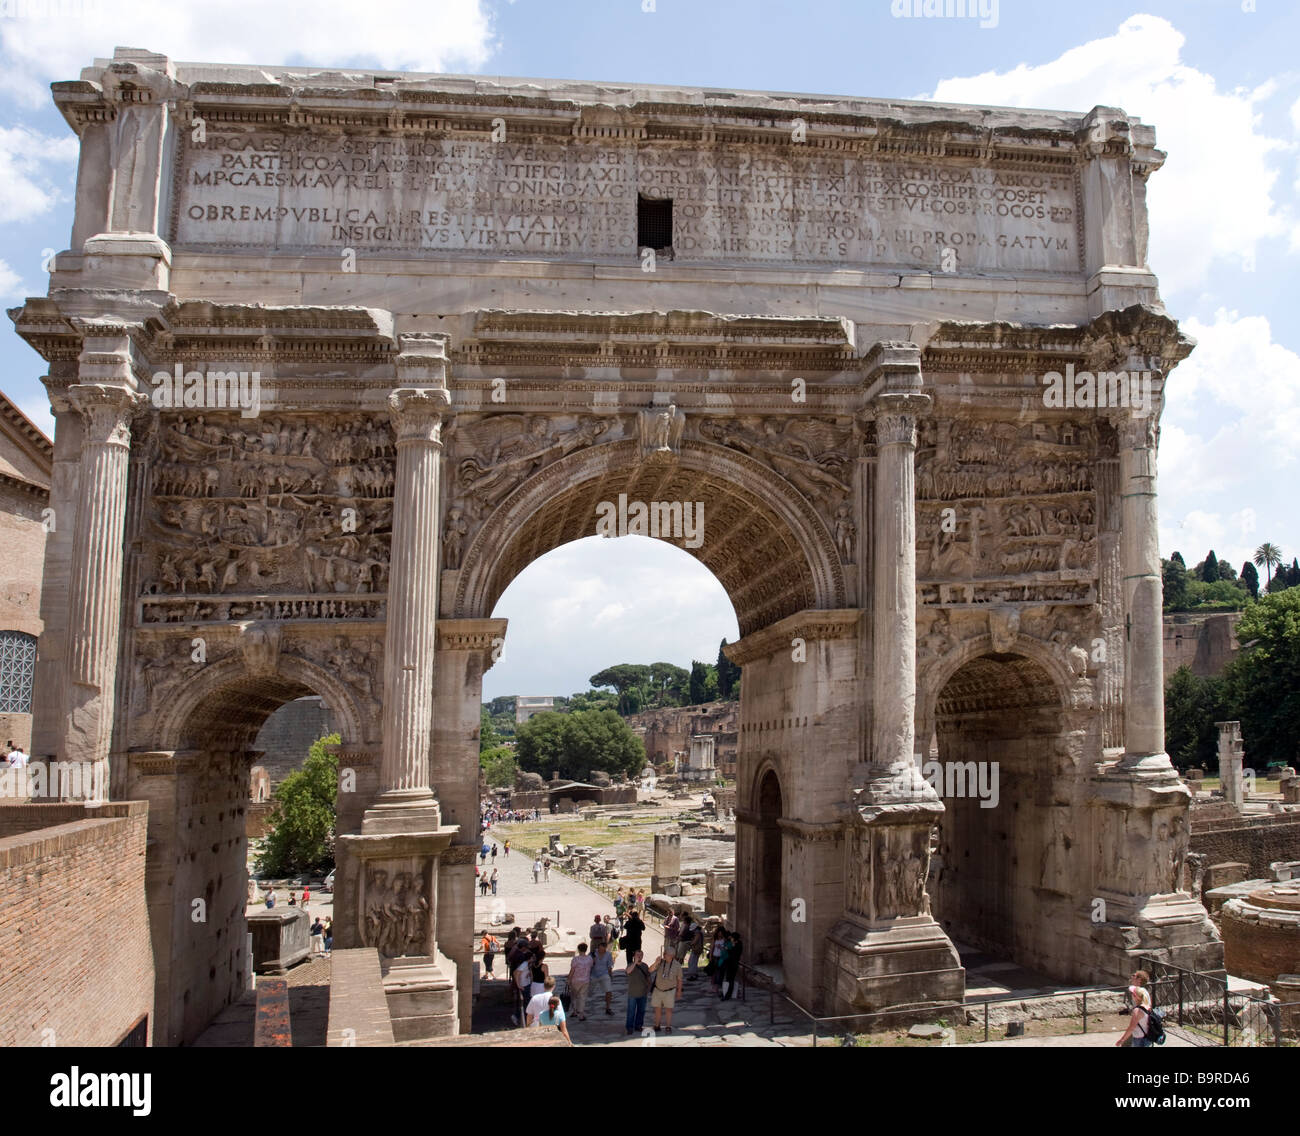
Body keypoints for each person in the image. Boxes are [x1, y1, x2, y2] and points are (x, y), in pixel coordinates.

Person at [1117, 970, 1155, 1047]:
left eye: (1134, 976)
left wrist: (1122, 1039)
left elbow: (1131, 988)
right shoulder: (1144, 992)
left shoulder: (1138, 992)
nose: (1131, 977)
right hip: (1144, 1028)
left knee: (1125, 1044)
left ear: (1139, 980)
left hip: (1140, 1029)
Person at [649, 949, 684, 1032]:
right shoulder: (660, 962)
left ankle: (668, 1026)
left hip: (670, 991)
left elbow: (679, 979)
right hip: (658, 989)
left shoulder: (677, 965)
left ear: (672, 956)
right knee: (657, 1008)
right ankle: (657, 1025)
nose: (664, 955)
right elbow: (650, 970)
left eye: (666, 954)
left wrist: (679, 991)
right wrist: (656, 962)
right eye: (664, 953)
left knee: (669, 1009)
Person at [624, 949, 652, 1035]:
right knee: (631, 1011)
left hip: (643, 993)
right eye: (637, 955)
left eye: (640, 955)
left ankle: (638, 1025)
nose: (639, 956)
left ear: (643, 956)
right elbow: (628, 971)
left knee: (641, 1011)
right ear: (634, 956)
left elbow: (648, 977)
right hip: (632, 993)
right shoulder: (630, 965)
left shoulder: (645, 966)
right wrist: (635, 963)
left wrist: (649, 988)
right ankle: (629, 1027)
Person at [568, 942, 593, 1020]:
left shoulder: (575, 959)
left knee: (574, 996)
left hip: (575, 980)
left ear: (578, 950)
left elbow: (572, 970)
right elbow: (591, 967)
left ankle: (574, 1011)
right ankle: (581, 1014)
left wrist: (568, 979)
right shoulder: (589, 958)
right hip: (585, 980)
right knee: (582, 997)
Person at [590, 940, 615, 1016]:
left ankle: (608, 1008)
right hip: (593, 975)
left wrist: (610, 976)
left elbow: (610, 966)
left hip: (604, 974)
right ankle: (579, 1008)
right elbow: (588, 964)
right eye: (600, 949)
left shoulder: (608, 954)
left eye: (603, 949)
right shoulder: (592, 954)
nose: (602, 951)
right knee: (587, 991)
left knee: (609, 990)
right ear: (598, 948)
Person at [719, 930, 743, 1001]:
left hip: (733, 964)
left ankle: (727, 995)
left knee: (730, 980)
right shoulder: (735, 944)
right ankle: (725, 993)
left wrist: (730, 947)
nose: (731, 939)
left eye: (732, 938)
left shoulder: (737, 945)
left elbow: (734, 954)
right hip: (730, 963)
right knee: (729, 979)